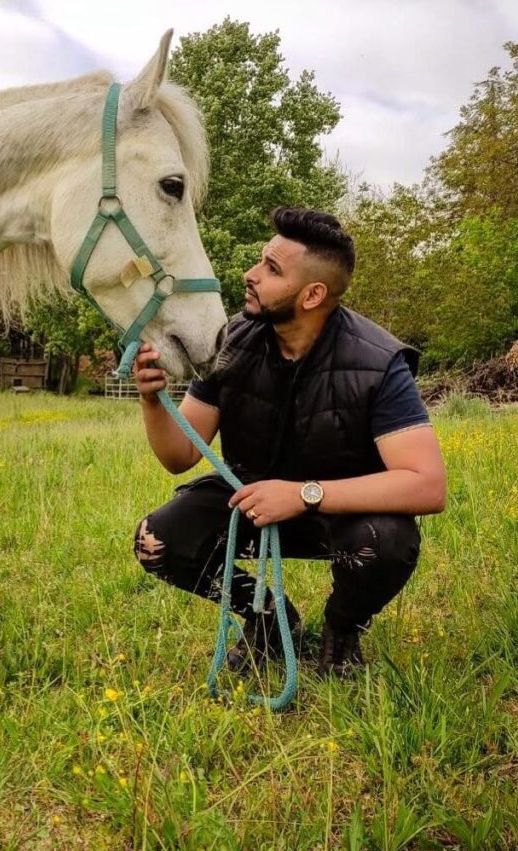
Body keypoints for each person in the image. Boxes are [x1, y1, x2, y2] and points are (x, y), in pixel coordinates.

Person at [133, 207, 446, 675]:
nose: (250, 274)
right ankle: (267, 617)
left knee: (388, 542)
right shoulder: (234, 341)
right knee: (156, 541)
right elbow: (179, 457)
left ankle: (343, 629)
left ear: (312, 294)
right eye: (261, 261)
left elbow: (428, 486)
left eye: (271, 269)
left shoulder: (379, 362)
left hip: (342, 513)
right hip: (254, 499)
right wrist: (153, 402)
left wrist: (303, 495)